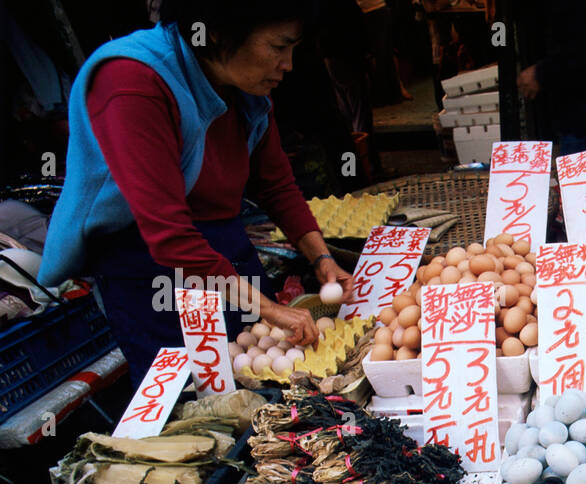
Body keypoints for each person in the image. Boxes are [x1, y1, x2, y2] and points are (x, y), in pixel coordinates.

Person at [38, 1, 354, 386]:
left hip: (224, 250)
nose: (287, 63)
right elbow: (169, 235)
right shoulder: (131, 80)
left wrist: (321, 258)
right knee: (194, 401)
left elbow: (276, 185)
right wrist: (270, 308)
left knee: (265, 378)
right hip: (152, 269)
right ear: (217, 32)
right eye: (278, 46)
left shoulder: (245, 88)